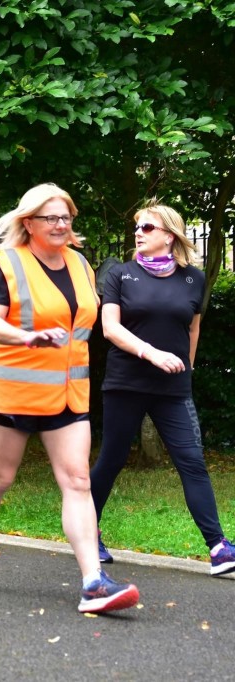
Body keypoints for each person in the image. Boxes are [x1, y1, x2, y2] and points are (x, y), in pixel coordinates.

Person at [0, 183, 140, 614]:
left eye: (66, 217)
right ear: (28, 222)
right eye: (50, 218)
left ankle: (93, 581)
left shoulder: (80, 265)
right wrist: (28, 337)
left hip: (70, 394)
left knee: (77, 481)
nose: (60, 225)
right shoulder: (6, 264)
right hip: (16, 390)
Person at [91, 202, 234, 575]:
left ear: (169, 235)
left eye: (148, 227)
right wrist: (152, 354)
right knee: (113, 458)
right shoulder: (119, 275)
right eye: (137, 226)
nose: (138, 232)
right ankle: (88, 532)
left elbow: (193, 328)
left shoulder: (194, 279)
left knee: (192, 460)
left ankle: (218, 547)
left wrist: (185, 364)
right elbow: (110, 328)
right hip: (127, 383)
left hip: (173, 388)